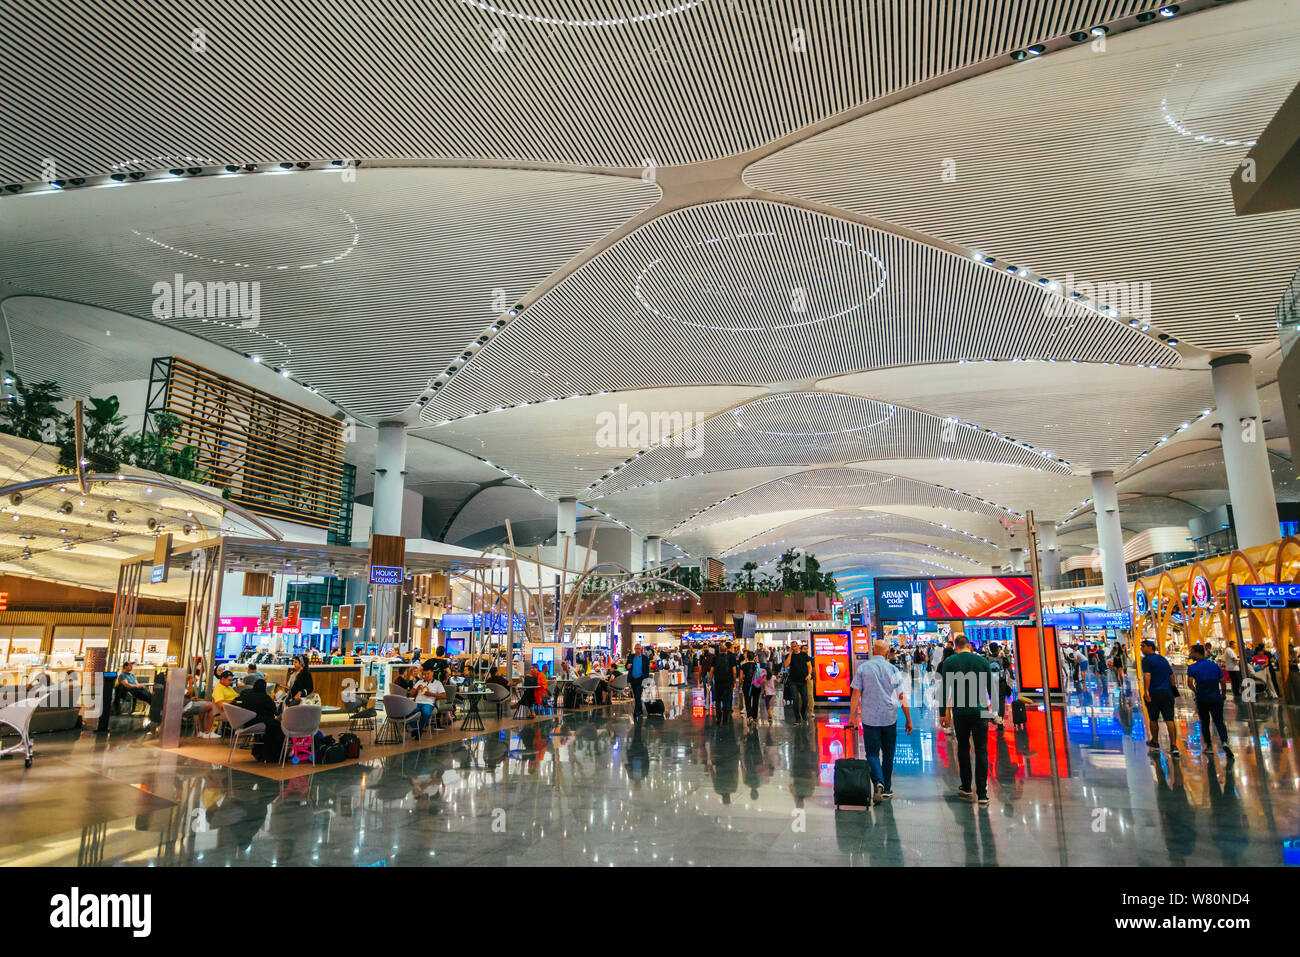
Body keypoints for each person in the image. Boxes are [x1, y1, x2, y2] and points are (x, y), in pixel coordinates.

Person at [849, 639, 913, 803]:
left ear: (873, 651)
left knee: (871, 753)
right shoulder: (892, 669)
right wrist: (908, 719)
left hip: (870, 718)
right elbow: (901, 696)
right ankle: (887, 787)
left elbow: (856, 695)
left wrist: (852, 718)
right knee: (888, 754)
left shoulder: (863, 668)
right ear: (886, 653)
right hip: (889, 718)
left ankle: (878, 782)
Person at [939, 634, 993, 805]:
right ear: (969, 646)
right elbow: (991, 687)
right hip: (981, 711)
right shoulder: (982, 661)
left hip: (960, 711)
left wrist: (943, 713)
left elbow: (944, 688)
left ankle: (966, 786)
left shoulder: (950, 662)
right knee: (981, 749)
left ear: (955, 647)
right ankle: (982, 793)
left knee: (963, 747)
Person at [1186, 644, 1234, 762]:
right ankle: (1224, 742)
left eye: (1192, 652)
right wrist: (1222, 694)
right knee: (1219, 722)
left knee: (1205, 722)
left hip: (1202, 698)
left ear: (1197, 653)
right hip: (1215, 697)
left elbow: (1189, 683)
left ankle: (1208, 746)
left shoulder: (1192, 667)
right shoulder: (1214, 666)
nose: (1190, 654)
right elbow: (1222, 681)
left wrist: (1195, 691)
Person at [1140, 639, 1179, 756]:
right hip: (1167, 693)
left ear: (1150, 647)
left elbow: (1147, 676)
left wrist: (1146, 691)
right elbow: (1171, 675)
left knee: (1153, 718)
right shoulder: (1163, 659)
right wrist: (1172, 688)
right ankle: (1173, 745)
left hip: (1154, 693)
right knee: (1169, 719)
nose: (1141, 649)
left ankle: (1155, 742)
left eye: (1143, 646)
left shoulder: (1146, 660)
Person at [232, 678, 284, 761]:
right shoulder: (265, 698)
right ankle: (272, 755)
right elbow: (273, 711)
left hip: (247, 722)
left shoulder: (246, 697)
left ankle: (259, 751)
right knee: (278, 727)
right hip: (262, 723)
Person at [784, 642, 812, 723]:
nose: (794, 648)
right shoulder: (789, 656)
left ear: (798, 646)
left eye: (795, 646)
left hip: (803, 680)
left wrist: (809, 675)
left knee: (805, 699)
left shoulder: (804, 655)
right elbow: (786, 664)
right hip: (793, 681)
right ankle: (797, 718)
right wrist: (790, 653)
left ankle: (803, 713)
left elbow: (809, 666)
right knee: (795, 700)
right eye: (792, 647)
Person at [410, 667, 445, 734]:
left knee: (426, 713)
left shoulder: (438, 683)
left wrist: (431, 694)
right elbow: (411, 694)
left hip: (428, 703)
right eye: (424, 674)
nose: (426, 676)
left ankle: (419, 729)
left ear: (432, 673)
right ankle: (417, 729)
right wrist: (417, 688)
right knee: (409, 712)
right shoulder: (420, 682)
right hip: (417, 702)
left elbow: (443, 696)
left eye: (428, 674)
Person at [712, 642, 737, 724]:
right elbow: (734, 672)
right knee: (727, 700)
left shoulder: (715, 658)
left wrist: (709, 682)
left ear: (719, 651)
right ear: (727, 650)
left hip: (718, 682)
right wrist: (734, 682)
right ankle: (725, 719)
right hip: (728, 682)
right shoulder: (731, 657)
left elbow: (712, 670)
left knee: (718, 700)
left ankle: (718, 718)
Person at [627, 643, 652, 719]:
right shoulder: (631, 657)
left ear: (641, 649)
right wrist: (627, 666)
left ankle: (636, 711)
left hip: (640, 679)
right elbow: (627, 666)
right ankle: (640, 710)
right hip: (633, 679)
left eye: (639, 648)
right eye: (636, 648)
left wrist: (646, 680)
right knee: (636, 696)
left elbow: (647, 670)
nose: (637, 650)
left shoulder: (644, 658)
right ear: (634, 649)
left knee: (638, 695)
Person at [739, 651, 763, 723]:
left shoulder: (743, 666)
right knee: (756, 700)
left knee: (747, 700)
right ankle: (755, 716)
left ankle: (750, 716)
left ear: (747, 657)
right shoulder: (758, 665)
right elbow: (761, 676)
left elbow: (741, 677)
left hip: (747, 685)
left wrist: (740, 685)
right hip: (757, 685)